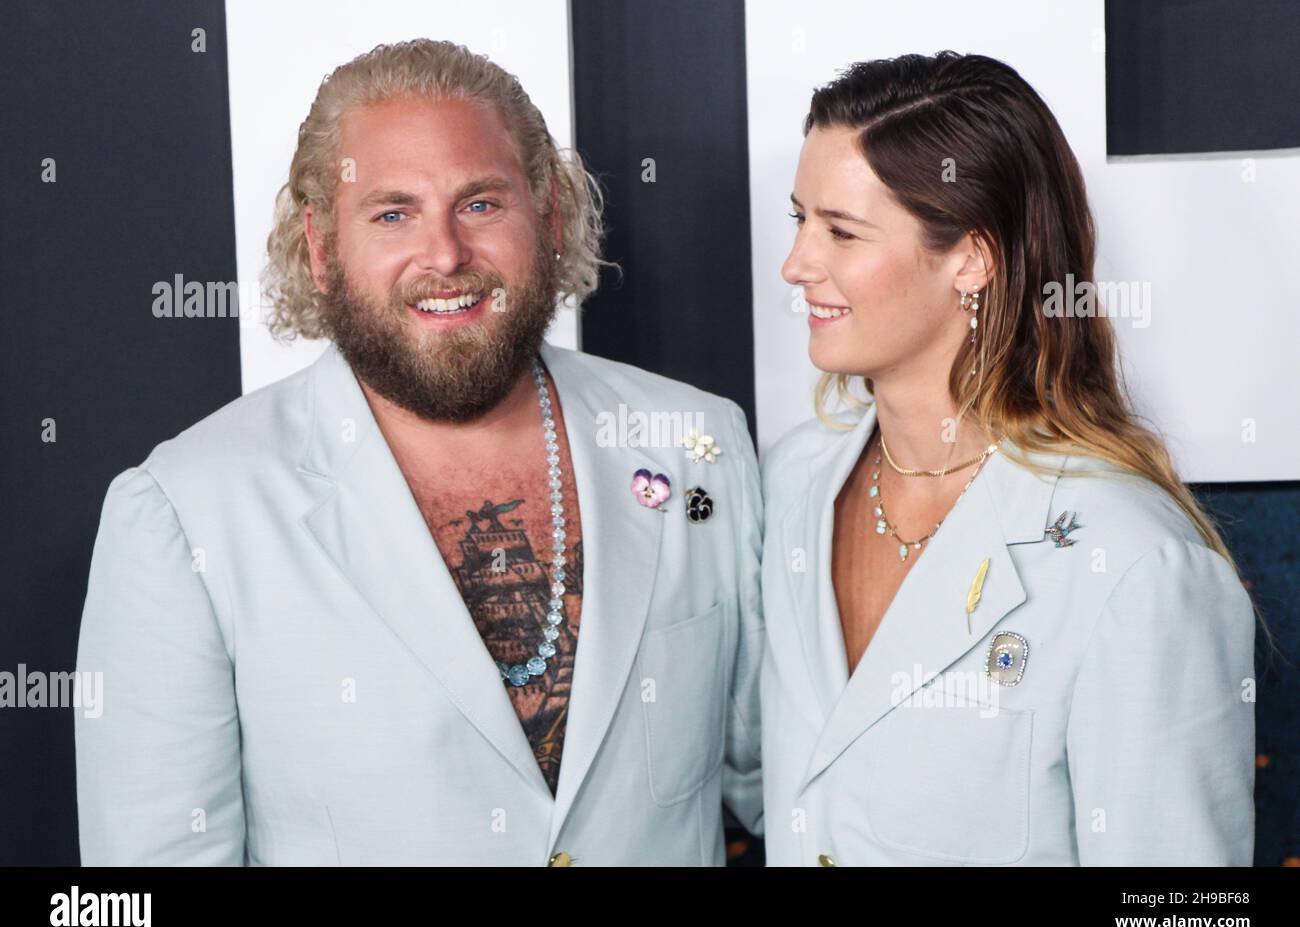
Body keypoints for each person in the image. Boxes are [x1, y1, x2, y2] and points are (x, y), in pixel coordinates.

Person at [75, 39, 762, 866]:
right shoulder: (187, 512)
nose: (444, 256)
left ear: (547, 215)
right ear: (322, 246)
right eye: (392, 213)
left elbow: (774, 780)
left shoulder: (696, 450)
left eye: (480, 203)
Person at [760, 52, 1255, 866]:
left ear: (972, 258)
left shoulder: (1136, 564)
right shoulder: (793, 486)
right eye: (799, 220)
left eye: (841, 231)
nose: (796, 264)